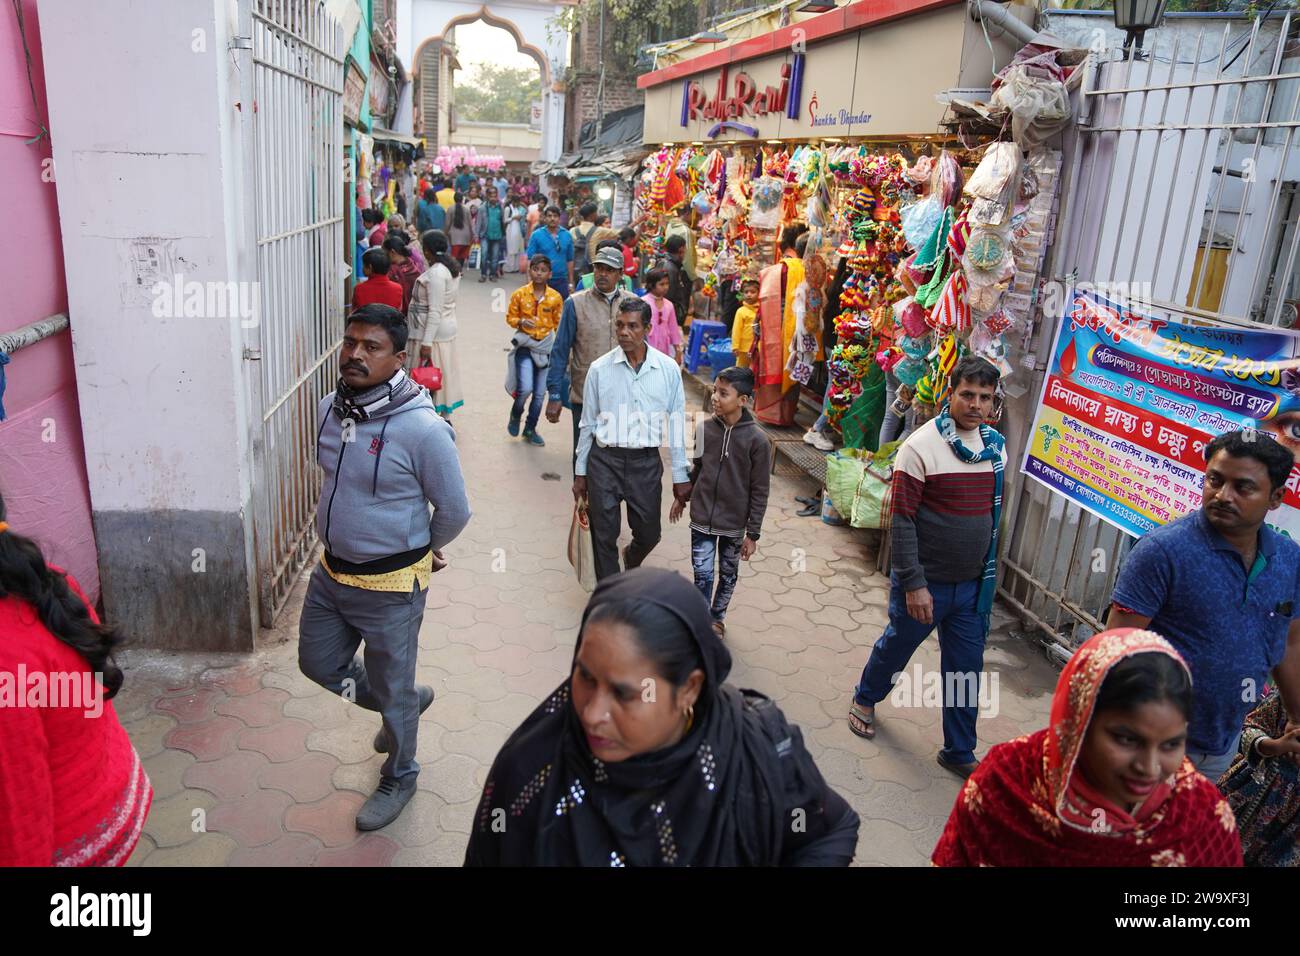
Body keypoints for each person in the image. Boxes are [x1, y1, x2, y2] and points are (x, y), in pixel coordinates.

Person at [464, 567, 861, 866]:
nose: (591, 713)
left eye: (624, 693)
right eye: (584, 676)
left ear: (689, 688)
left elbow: (828, 832)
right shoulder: (531, 770)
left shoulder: (759, 752)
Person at [299, 304, 471, 831]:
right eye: (351, 342)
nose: (354, 354)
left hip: (392, 586)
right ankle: (405, 702)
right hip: (331, 575)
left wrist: (423, 549)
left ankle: (401, 773)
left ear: (398, 359)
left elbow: (456, 509)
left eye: (371, 347)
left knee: (390, 683)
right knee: (319, 664)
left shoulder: (423, 430)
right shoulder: (330, 407)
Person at [932, 628, 1243, 867]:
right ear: (1077, 723)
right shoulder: (1008, 778)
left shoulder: (1201, 819)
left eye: (1171, 744)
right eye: (1126, 739)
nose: (1149, 768)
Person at [1109, 429, 1300, 780]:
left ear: (1275, 498)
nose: (1222, 496)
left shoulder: (1289, 560)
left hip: (1221, 745)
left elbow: (1289, 641)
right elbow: (1113, 650)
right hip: (1147, 741)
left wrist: (1296, 715)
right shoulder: (1162, 551)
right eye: (1215, 480)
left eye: (1243, 487)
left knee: (1181, 833)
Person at [847, 357, 1006, 779]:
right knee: (897, 646)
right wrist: (914, 584)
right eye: (967, 394)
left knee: (965, 670)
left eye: (984, 398)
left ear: (993, 403)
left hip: (972, 587)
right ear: (949, 394)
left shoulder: (995, 447)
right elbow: (901, 520)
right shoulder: (919, 447)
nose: (975, 405)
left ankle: (958, 750)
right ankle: (865, 698)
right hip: (925, 584)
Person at [0, 495, 153, 866]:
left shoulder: (7, 659)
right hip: (114, 790)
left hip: (77, 839)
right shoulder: (44, 579)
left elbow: (21, 821)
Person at [572, 298, 689, 581]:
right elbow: (587, 423)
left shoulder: (667, 369)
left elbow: (677, 422)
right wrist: (580, 472)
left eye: (632, 326)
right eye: (620, 325)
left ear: (647, 328)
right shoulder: (600, 369)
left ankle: (632, 556)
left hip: (646, 463)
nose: (624, 332)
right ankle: (611, 596)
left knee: (650, 533)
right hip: (605, 462)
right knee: (604, 534)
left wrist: (681, 473)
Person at [671, 366, 771, 638]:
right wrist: (683, 497)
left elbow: (760, 490)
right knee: (702, 574)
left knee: (728, 575)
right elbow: (699, 468)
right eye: (715, 390)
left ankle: (717, 618)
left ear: (743, 400)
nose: (715, 397)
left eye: (723, 393)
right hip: (702, 518)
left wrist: (753, 534)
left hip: (734, 525)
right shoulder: (704, 429)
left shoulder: (758, 442)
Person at [545, 246, 640, 464]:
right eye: (599, 268)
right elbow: (560, 352)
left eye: (609, 269)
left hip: (623, 394)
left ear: (620, 274)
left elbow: (642, 351)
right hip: (585, 393)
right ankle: (582, 497)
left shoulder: (633, 304)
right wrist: (555, 394)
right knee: (583, 455)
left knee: (618, 456)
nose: (603, 274)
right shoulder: (575, 304)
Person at [1218, 688, 1300, 866]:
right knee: (1211, 847)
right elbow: (1250, 726)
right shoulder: (1291, 688)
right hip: (1252, 786)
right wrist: (1275, 746)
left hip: (1291, 829)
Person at [505, 255, 563, 446]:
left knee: (540, 394)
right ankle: (516, 414)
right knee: (526, 389)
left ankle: (530, 429)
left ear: (550, 274)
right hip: (525, 347)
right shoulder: (520, 294)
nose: (539, 273)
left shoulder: (555, 298)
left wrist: (561, 352)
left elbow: (558, 325)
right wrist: (521, 321)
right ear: (530, 271)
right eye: (535, 269)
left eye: (543, 270)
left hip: (545, 349)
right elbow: (510, 317)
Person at [753, 225, 807, 426]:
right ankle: (786, 414)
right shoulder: (803, 267)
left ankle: (773, 414)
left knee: (778, 365)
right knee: (794, 369)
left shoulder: (781, 268)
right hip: (799, 327)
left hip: (776, 325)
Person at [409, 229, 465, 420]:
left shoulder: (437, 274)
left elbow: (435, 310)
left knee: (432, 375)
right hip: (440, 330)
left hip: (432, 333)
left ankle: (433, 414)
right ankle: (441, 414)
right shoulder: (447, 268)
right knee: (441, 373)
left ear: (426, 250)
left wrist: (426, 342)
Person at [526, 205, 575, 299]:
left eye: (555, 216)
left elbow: (570, 260)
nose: (552, 219)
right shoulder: (536, 235)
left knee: (561, 309)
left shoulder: (567, 235)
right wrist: (529, 280)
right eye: (549, 216)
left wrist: (571, 282)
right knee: (540, 309)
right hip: (541, 280)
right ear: (544, 218)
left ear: (559, 218)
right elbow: (530, 259)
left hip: (561, 280)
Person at [641, 266, 683, 365]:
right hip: (646, 345)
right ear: (651, 285)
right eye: (662, 284)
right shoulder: (643, 302)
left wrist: (677, 351)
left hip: (664, 347)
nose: (666, 287)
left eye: (667, 284)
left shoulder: (669, 305)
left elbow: (673, 329)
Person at [660, 234, 692, 332]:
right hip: (670, 318)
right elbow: (668, 296)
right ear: (681, 249)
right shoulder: (671, 269)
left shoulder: (668, 264)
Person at [382, 236, 420, 315]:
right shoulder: (413, 265)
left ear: (392, 252)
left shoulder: (392, 271)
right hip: (415, 312)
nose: (384, 257)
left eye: (385, 253)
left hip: (397, 314)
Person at [476, 185, 506, 283]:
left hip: (497, 235)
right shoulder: (482, 208)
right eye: (491, 195)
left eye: (495, 195)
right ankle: (483, 274)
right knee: (484, 255)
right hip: (485, 235)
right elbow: (478, 222)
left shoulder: (500, 207)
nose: (493, 198)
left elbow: (503, 221)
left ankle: (493, 274)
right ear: (487, 196)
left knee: (495, 257)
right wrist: (476, 235)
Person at [731, 277, 760, 369]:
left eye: (752, 292)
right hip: (743, 348)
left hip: (757, 348)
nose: (749, 295)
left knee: (754, 370)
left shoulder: (761, 310)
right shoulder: (741, 311)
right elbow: (736, 330)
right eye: (746, 292)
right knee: (740, 370)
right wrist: (735, 346)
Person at [569, 201, 599, 279]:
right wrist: (635, 222)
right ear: (593, 215)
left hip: (576, 267)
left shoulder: (572, 230)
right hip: (592, 268)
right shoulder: (599, 231)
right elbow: (620, 233)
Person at [447, 193, 474, 267]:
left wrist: (445, 233)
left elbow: (447, 224)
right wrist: (472, 235)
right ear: (462, 199)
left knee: (454, 255)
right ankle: (460, 269)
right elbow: (470, 224)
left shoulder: (450, 209)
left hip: (454, 236)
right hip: (466, 235)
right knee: (462, 256)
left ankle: (455, 270)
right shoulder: (467, 209)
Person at [503, 194, 528, 273]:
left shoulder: (517, 209)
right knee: (511, 249)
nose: (517, 204)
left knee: (517, 249)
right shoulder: (508, 209)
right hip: (510, 230)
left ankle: (516, 267)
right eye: (516, 202)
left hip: (517, 231)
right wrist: (513, 218)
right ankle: (509, 267)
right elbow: (505, 220)